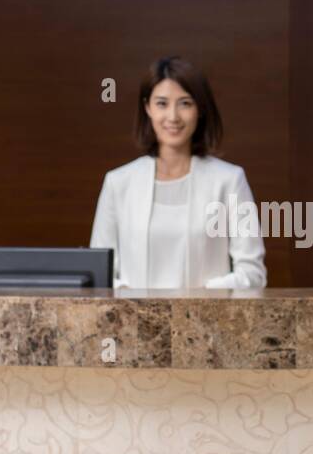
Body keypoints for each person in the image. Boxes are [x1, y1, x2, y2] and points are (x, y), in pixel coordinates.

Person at [90, 56, 266, 289]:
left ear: (200, 109)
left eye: (185, 103)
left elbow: (253, 275)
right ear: (147, 108)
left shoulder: (230, 181)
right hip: (133, 323)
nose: (173, 117)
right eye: (162, 103)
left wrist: (198, 301)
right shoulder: (118, 182)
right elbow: (101, 275)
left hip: (208, 321)